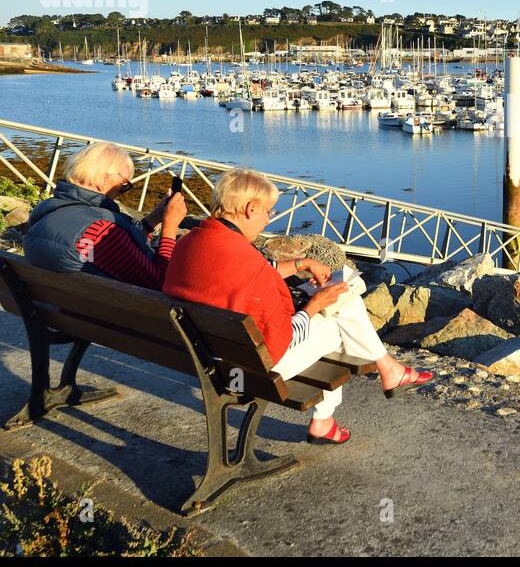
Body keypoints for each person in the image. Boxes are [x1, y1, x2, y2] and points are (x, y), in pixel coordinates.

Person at [163, 167, 431, 444]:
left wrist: (302, 264)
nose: (268, 220)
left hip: (205, 358)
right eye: (269, 211)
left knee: (339, 304)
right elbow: (284, 340)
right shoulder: (247, 263)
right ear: (250, 208)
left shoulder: (191, 243)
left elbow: (243, 274)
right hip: (248, 371)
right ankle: (356, 393)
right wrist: (313, 306)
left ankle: (383, 373)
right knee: (341, 315)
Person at [24, 141, 186, 290]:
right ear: (103, 179)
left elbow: (116, 252)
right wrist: (169, 228)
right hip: (105, 317)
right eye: (124, 184)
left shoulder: (45, 211)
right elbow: (159, 284)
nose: (122, 191)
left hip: (60, 310)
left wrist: (153, 219)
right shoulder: (101, 233)